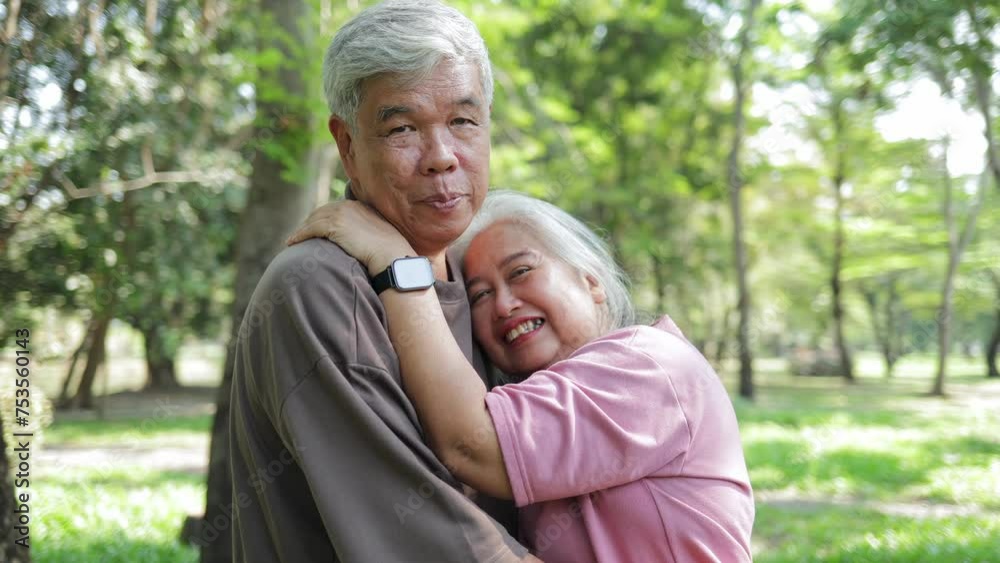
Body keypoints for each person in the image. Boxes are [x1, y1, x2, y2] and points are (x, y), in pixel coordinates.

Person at [287, 190, 756, 562]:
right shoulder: (541, 397)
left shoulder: (649, 366)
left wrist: (397, 267)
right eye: (480, 295)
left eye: (522, 271)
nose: (504, 304)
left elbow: (472, 443)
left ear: (589, 280)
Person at [228, 1, 537, 561]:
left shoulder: (481, 275)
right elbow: (441, 546)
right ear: (347, 146)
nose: (442, 158)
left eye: (463, 121)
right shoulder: (319, 288)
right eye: (402, 129)